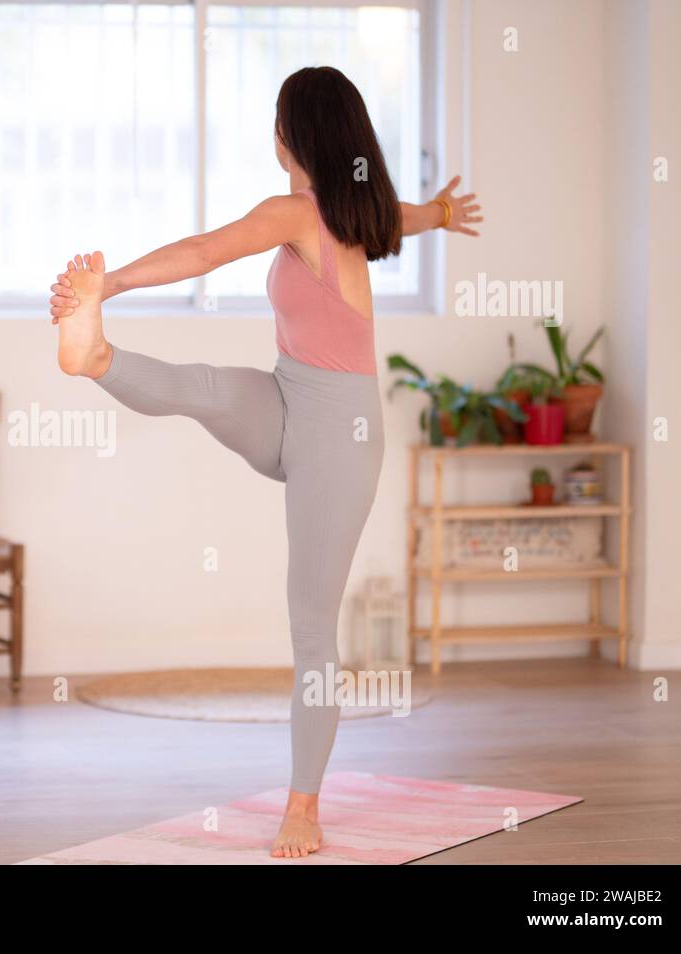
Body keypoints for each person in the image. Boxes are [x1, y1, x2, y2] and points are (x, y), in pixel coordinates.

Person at [48, 66, 481, 858]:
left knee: (312, 629)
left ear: (294, 133)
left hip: (339, 436)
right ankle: (95, 354)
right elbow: (407, 217)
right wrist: (445, 212)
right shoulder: (352, 211)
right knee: (205, 388)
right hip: (289, 400)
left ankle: (305, 808)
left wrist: (111, 278)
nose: (270, 132)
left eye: (276, 119)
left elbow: (207, 250)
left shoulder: (303, 211)